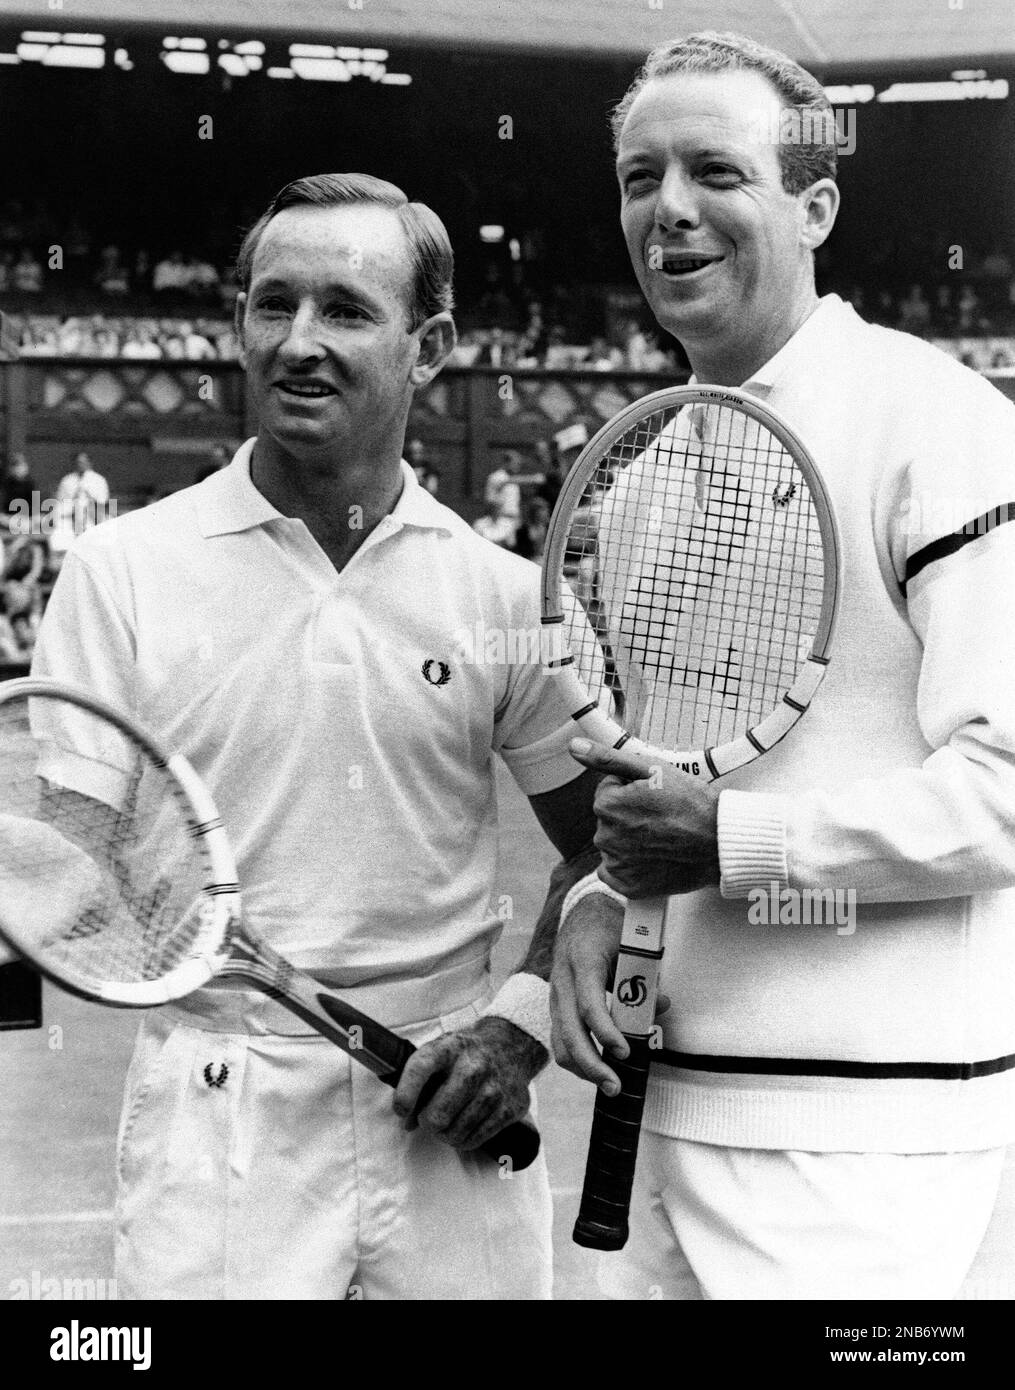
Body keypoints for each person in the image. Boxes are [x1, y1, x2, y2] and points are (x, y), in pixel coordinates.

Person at [32, 172, 600, 1301]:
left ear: (428, 343)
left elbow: (604, 849)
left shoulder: (506, 595)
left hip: (453, 1099)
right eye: (270, 304)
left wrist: (516, 1028)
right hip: (214, 1098)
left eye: (345, 309)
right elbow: (64, 872)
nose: (298, 342)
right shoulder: (119, 572)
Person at [551, 30, 1015, 1302]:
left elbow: (1003, 793)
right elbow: (663, 797)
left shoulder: (945, 427)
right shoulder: (642, 480)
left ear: (813, 205)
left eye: (714, 170)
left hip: (862, 1149)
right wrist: (600, 904)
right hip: (656, 1115)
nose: (670, 210)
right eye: (640, 178)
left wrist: (738, 846)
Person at [54, 451, 111, 541]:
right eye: (79, 462)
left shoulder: (99, 480)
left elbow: (103, 501)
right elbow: (60, 501)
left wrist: (89, 499)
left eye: (83, 462)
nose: (81, 465)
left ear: (89, 462)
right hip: (71, 514)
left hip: (93, 514)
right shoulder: (67, 480)